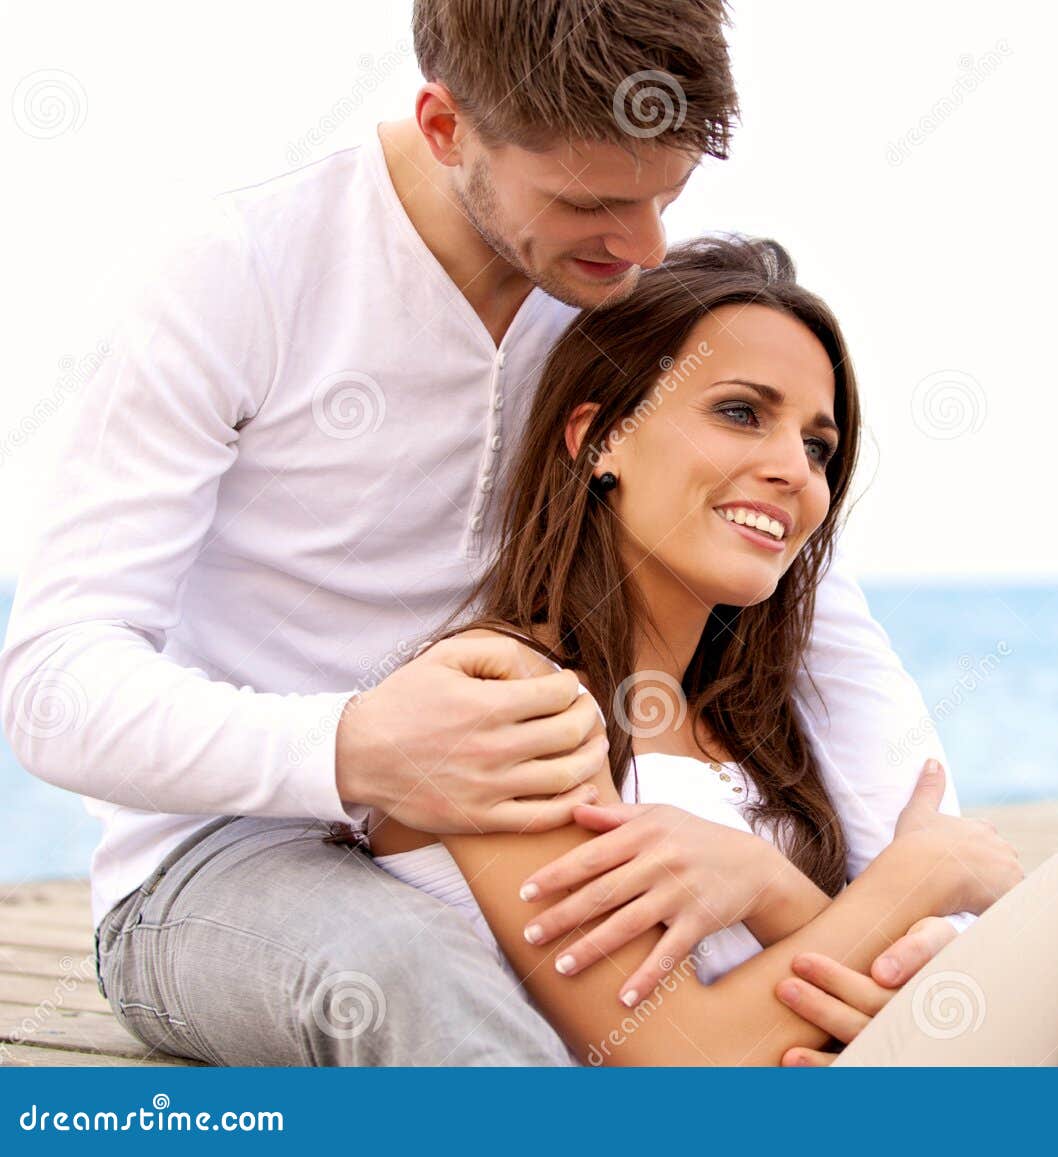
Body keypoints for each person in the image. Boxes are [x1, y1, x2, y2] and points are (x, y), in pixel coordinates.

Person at [0, 0, 973, 1065]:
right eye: (592, 201)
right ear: (445, 125)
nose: (644, 247)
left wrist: (938, 921)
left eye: (668, 195)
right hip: (234, 860)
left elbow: (823, 631)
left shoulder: (614, 291)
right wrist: (356, 748)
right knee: (412, 977)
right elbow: (55, 682)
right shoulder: (244, 272)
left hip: (520, 836)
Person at [366, 233, 1058, 1067]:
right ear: (599, 438)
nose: (793, 469)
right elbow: (676, 1059)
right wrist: (921, 875)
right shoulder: (502, 698)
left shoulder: (750, 724)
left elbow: (842, 975)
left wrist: (769, 884)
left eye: (817, 445)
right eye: (740, 413)